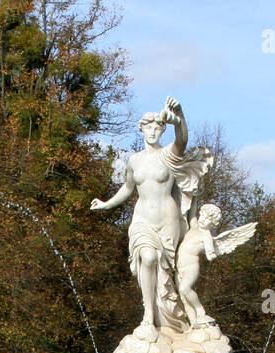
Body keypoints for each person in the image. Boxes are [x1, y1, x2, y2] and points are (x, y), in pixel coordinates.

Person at [91, 97, 213, 333]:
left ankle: (169, 322)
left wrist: (179, 117)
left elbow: (183, 139)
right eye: (149, 127)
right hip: (142, 220)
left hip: (167, 221)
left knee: (165, 277)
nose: (153, 131)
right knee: (147, 258)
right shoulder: (134, 160)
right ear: (142, 129)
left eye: (158, 127)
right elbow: (128, 188)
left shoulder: (168, 155)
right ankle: (148, 313)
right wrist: (106, 204)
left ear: (162, 130)